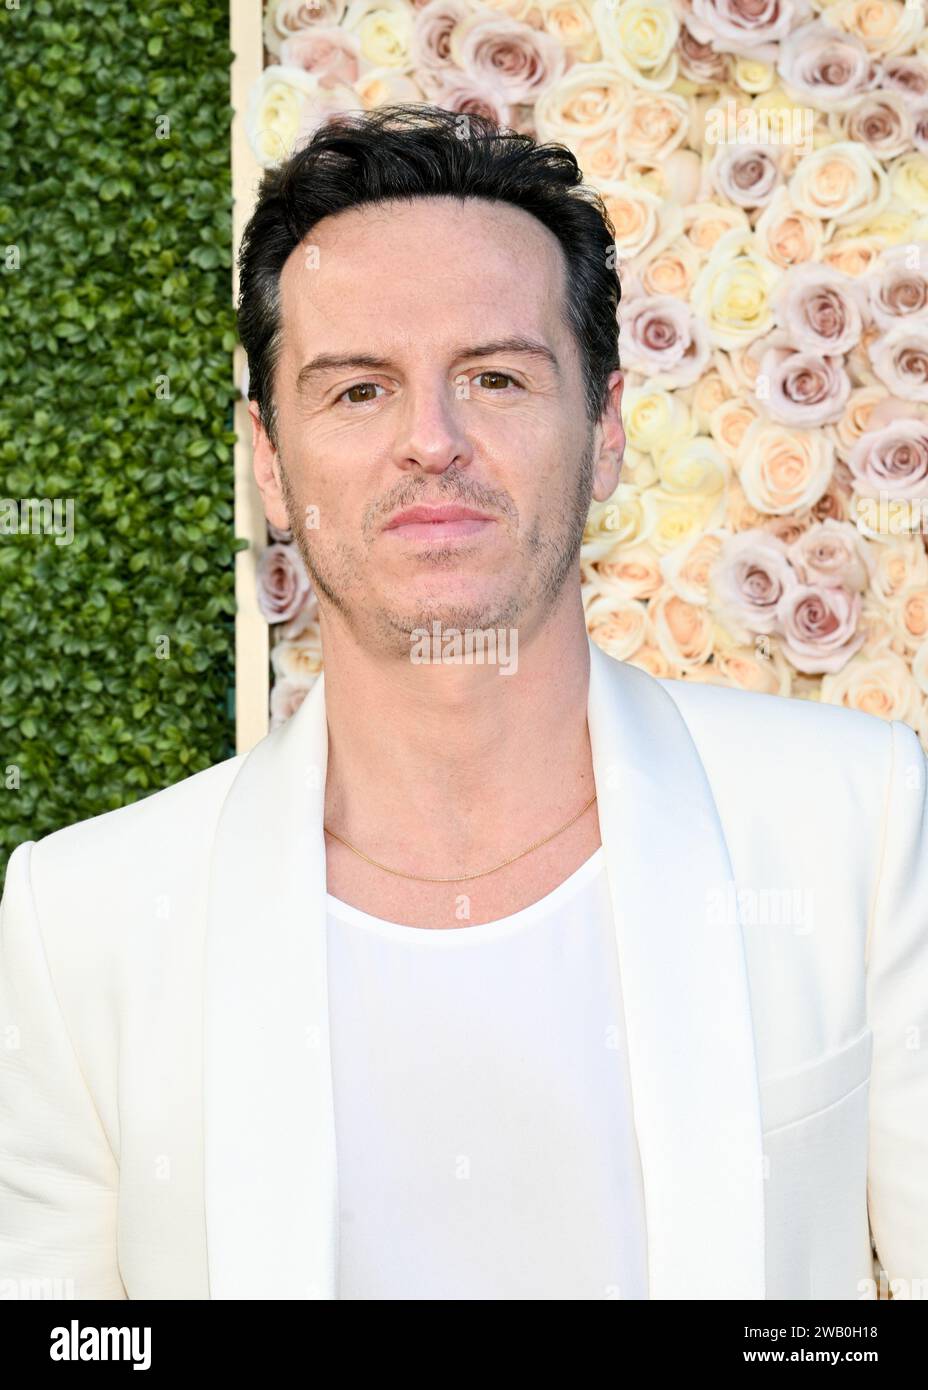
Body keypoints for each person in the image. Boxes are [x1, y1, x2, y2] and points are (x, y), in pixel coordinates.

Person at [1, 105, 926, 1302]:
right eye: (356, 391)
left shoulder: (854, 821)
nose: (431, 442)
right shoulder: (85, 919)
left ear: (602, 432)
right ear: (269, 464)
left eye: (492, 376)